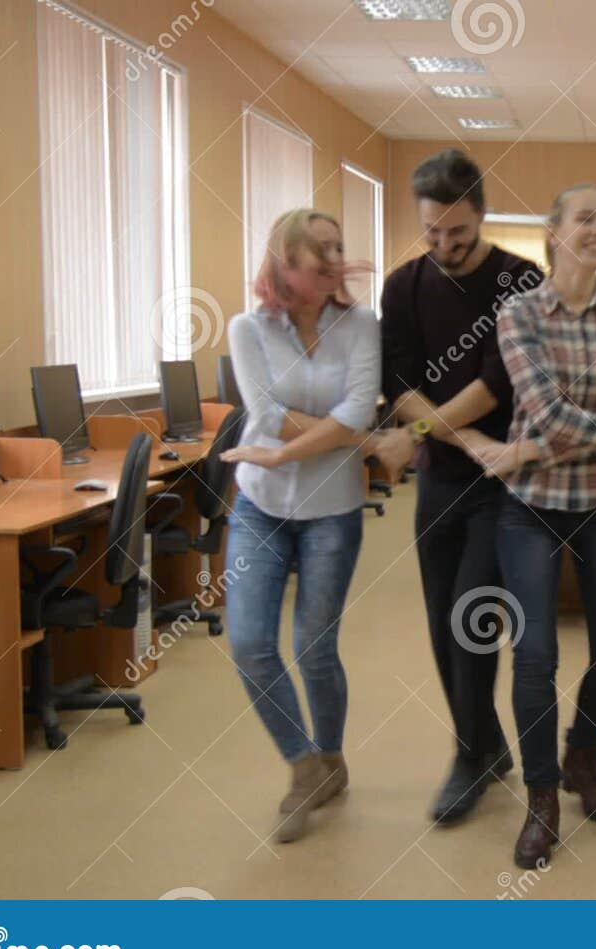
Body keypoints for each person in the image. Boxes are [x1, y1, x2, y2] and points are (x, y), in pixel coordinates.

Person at [470, 183, 596, 868]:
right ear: (554, 231)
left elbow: (577, 425)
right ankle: (543, 796)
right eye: (585, 217)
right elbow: (555, 413)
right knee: (535, 656)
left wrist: (534, 443)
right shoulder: (519, 313)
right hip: (529, 507)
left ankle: (583, 753)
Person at [376, 149, 544, 824]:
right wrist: (456, 439)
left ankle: (470, 756)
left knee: (472, 619)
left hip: (506, 482)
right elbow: (400, 383)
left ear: (482, 214)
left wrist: (430, 434)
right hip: (444, 480)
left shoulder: (520, 280)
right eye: (433, 234)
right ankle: (483, 744)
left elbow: (497, 381)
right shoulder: (404, 285)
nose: (445, 246)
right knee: (441, 620)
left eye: (459, 233)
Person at [219, 208, 381, 844]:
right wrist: (338, 435)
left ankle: (332, 759)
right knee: (251, 645)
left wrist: (296, 446)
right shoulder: (248, 327)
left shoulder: (361, 324)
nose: (334, 256)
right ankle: (302, 763)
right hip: (260, 508)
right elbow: (264, 411)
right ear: (286, 258)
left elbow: (360, 409)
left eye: (340, 245)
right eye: (320, 246)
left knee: (315, 648)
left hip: (333, 513)